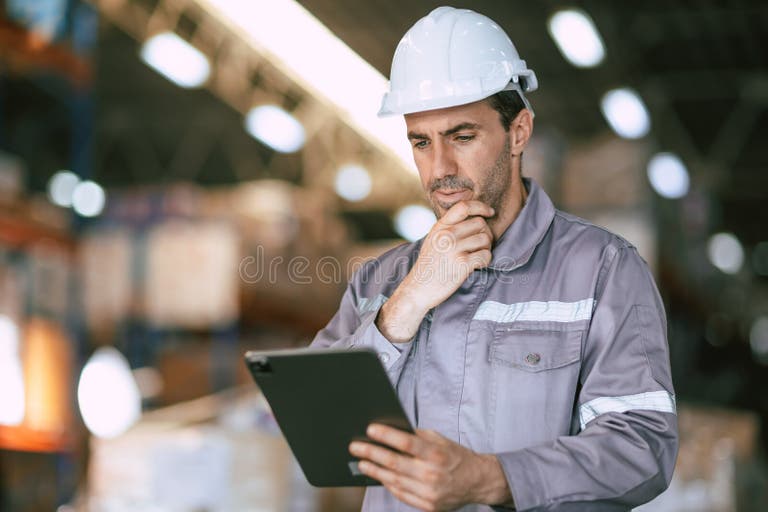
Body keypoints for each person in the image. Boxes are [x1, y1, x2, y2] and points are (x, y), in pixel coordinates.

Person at [310, 6, 678, 511]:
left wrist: (492, 478)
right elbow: (322, 430)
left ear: (519, 132)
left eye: (462, 137)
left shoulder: (603, 269)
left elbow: (642, 447)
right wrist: (406, 304)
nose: (440, 169)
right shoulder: (379, 280)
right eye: (421, 142)